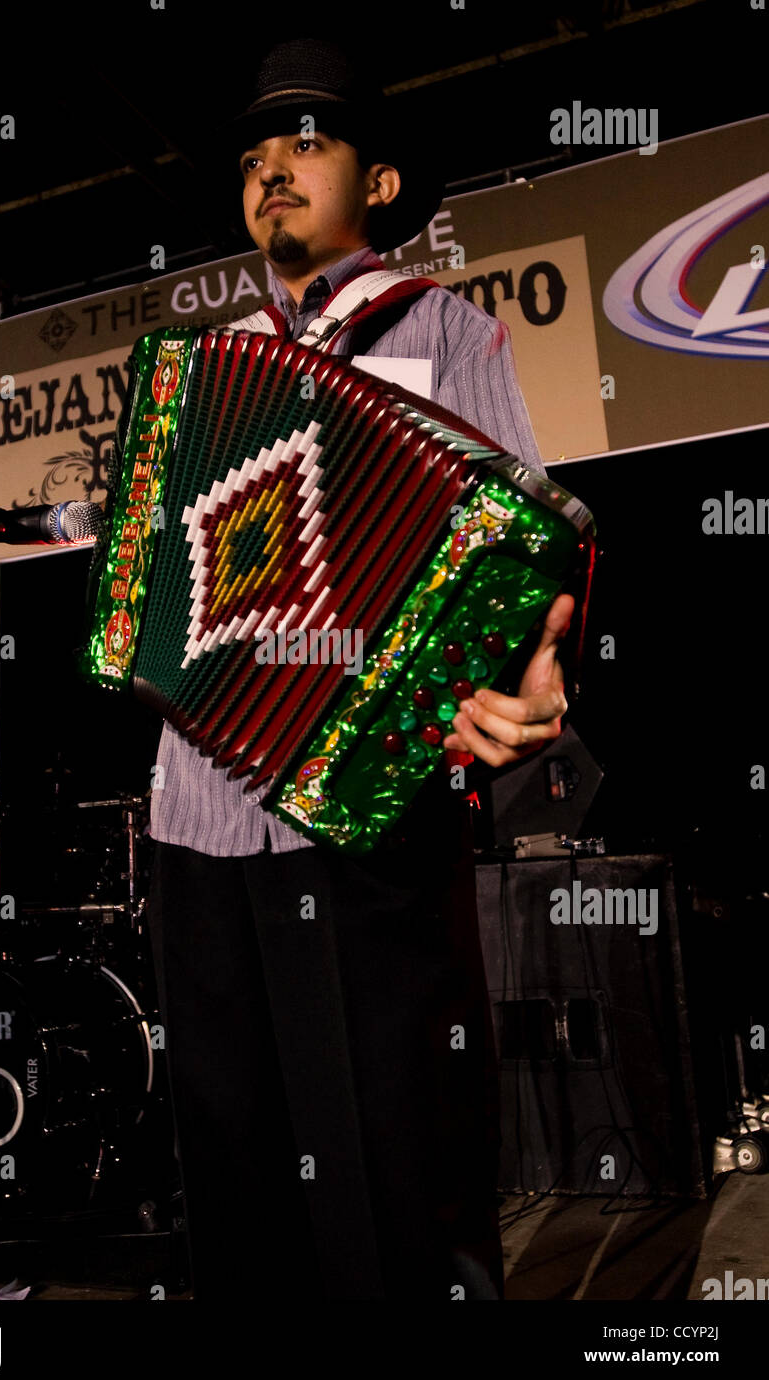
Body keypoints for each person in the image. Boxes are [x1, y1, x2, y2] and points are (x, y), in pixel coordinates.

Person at [145, 38, 573, 1300]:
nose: (271, 168)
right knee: (235, 1179)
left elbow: (521, 548)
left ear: (379, 182)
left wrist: (532, 668)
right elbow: (157, 574)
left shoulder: (446, 331)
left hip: (368, 803)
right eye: (255, 154)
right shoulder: (199, 372)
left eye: (308, 142)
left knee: (400, 1170)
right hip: (195, 816)